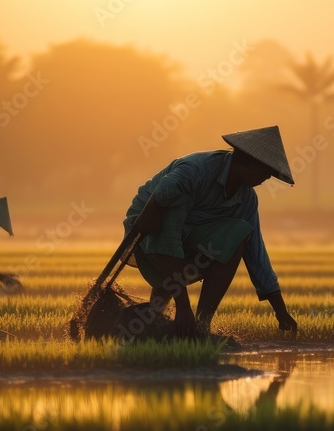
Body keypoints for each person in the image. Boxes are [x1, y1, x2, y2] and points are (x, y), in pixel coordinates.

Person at [123, 126, 298, 337]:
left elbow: (255, 251)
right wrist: (183, 308)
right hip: (152, 219)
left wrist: (280, 311)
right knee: (169, 245)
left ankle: (201, 324)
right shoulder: (196, 170)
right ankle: (165, 318)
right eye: (265, 171)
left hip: (191, 233)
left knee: (240, 234)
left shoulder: (246, 199)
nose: (267, 177)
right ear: (247, 162)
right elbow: (168, 233)